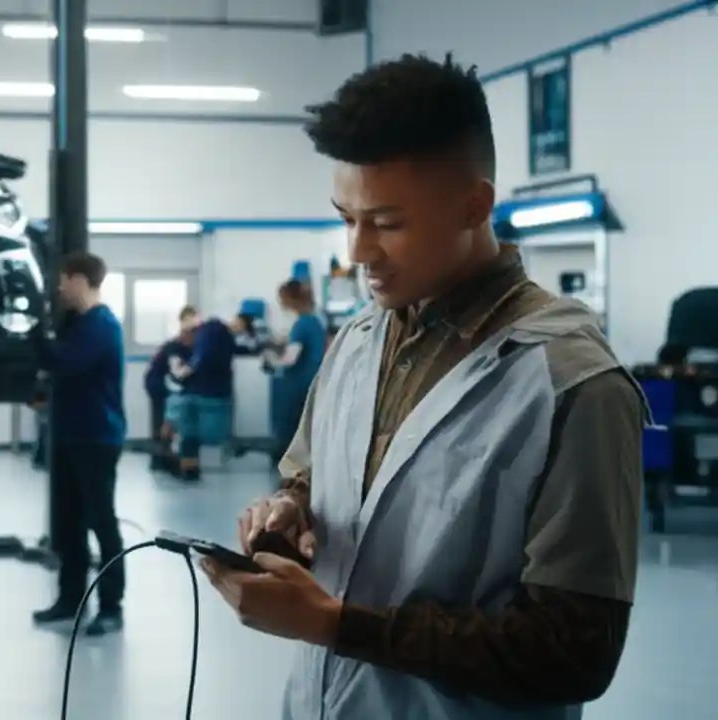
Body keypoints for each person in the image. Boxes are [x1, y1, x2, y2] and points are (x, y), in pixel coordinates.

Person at [200, 55, 645, 718]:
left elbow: (573, 651)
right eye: (345, 218)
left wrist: (333, 624)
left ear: (475, 205)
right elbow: (311, 479)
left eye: (386, 223)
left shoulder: (571, 384)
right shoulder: (355, 343)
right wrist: (288, 513)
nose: (357, 252)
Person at [31, 251, 128, 637]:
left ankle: (111, 607)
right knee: (68, 523)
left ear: (79, 280)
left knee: (101, 522)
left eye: (63, 279)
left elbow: (65, 362)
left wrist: (32, 332)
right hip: (70, 435)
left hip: (96, 438)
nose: (58, 287)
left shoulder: (101, 325)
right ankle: (70, 600)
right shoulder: (77, 324)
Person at [167, 310, 258, 481]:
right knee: (196, 430)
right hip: (208, 391)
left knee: (190, 431)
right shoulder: (216, 329)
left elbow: (232, 351)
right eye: (241, 328)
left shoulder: (221, 334)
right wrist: (188, 371)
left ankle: (189, 468)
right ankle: (187, 467)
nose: (239, 331)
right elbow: (203, 356)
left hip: (202, 389)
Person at [263, 280, 326, 469]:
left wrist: (272, 359)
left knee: (290, 429)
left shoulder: (302, 323)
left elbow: (290, 359)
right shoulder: (314, 321)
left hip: (298, 386)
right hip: (313, 382)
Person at [143, 306, 197, 472]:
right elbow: (177, 373)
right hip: (157, 384)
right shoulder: (174, 346)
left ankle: (166, 457)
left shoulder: (191, 344)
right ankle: (160, 459)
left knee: (169, 420)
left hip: (167, 383)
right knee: (162, 421)